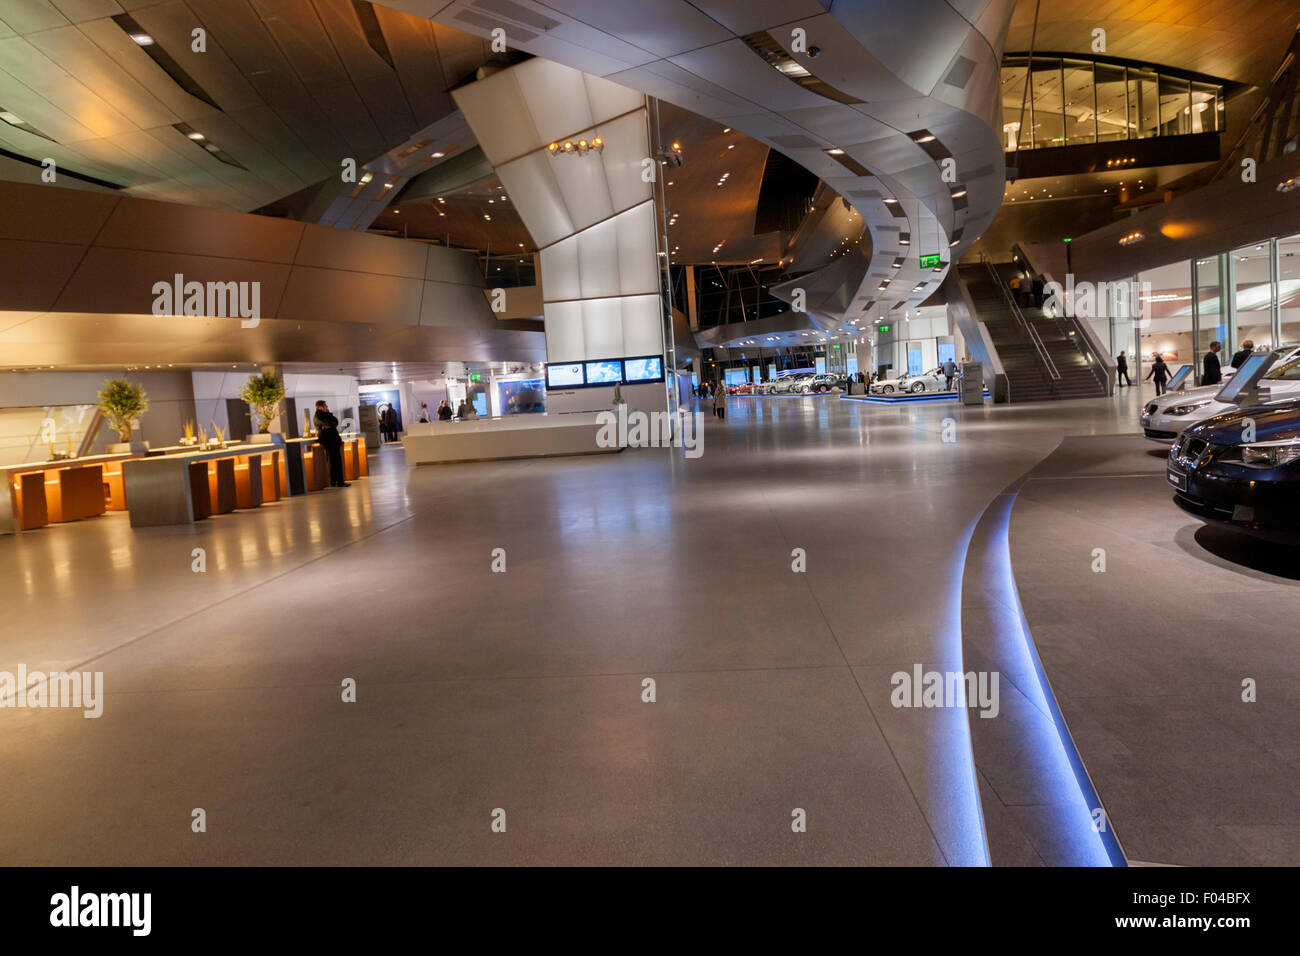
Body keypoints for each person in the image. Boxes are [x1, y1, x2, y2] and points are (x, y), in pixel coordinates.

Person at [313, 400, 349, 488]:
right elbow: (328, 423)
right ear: (320, 407)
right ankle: (336, 482)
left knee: (337, 461)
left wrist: (329, 424)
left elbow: (335, 422)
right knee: (333, 461)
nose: (327, 407)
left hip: (334, 440)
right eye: (325, 406)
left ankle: (338, 481)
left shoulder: (327, 414)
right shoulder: (318, 416)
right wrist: (328, 425)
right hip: (328, 440)